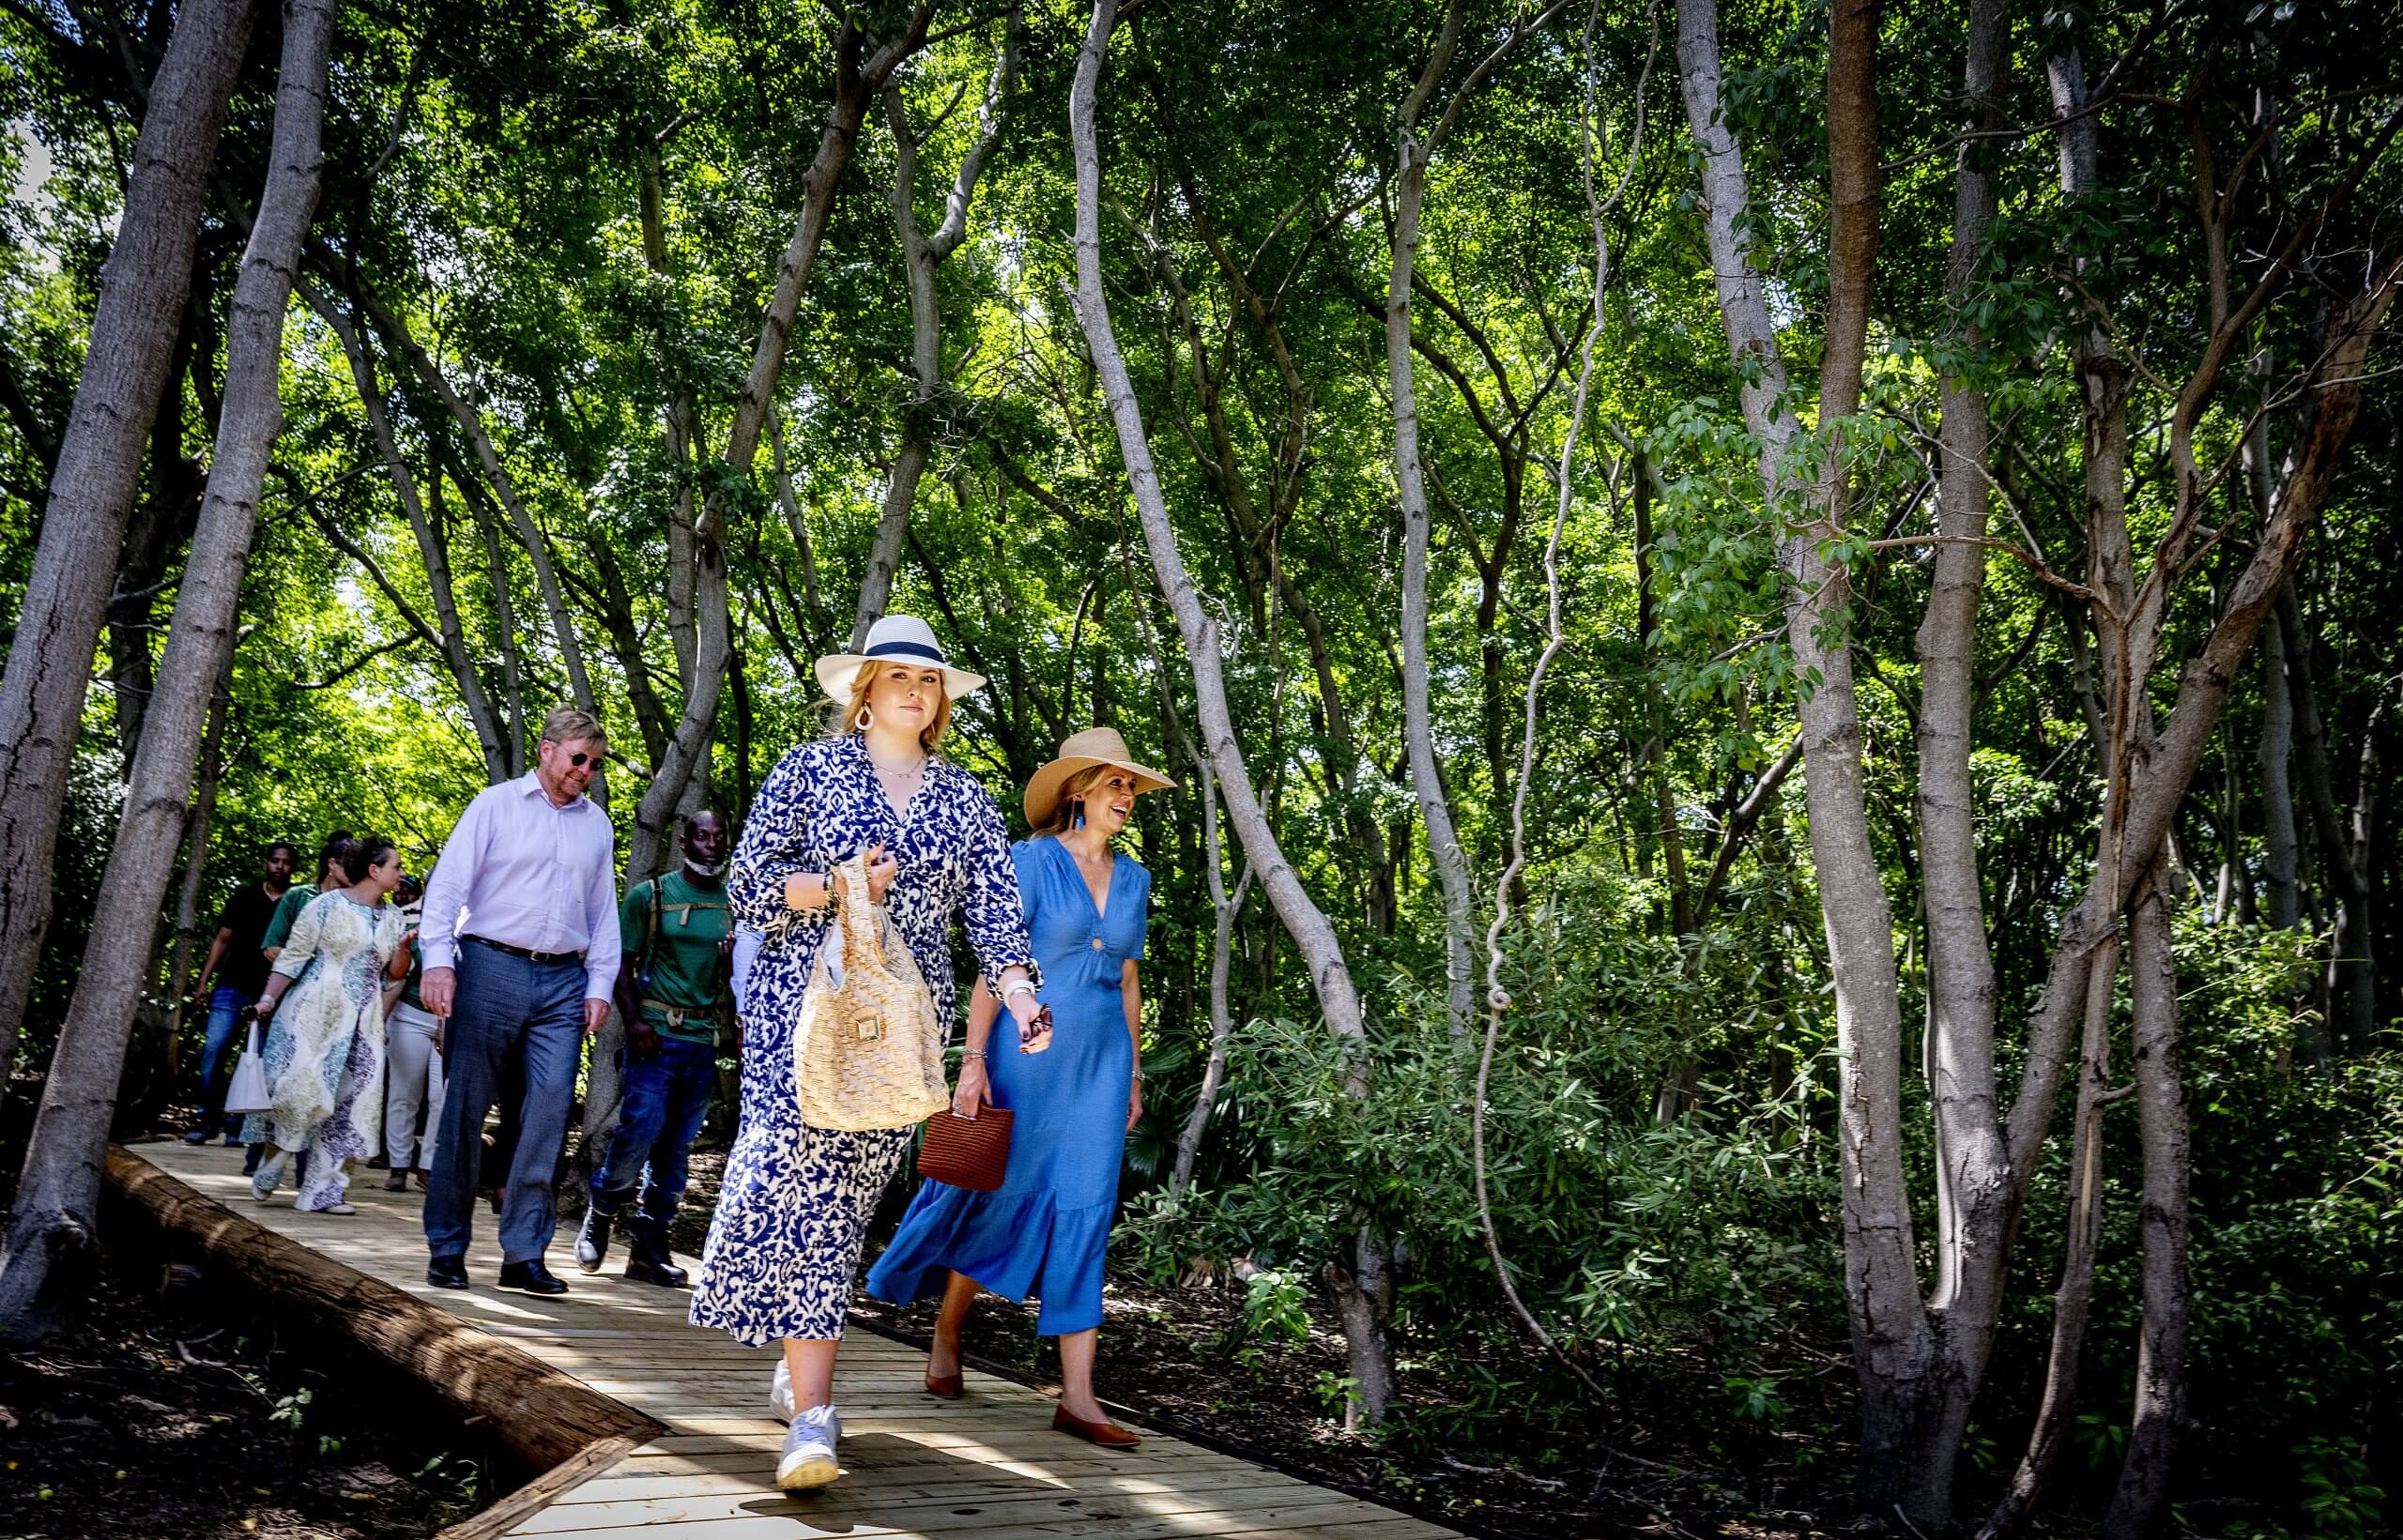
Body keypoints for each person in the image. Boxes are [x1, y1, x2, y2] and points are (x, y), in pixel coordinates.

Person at [690, 615, 1049, 1493]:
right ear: (865, 690)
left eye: (929, 682)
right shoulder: (809, 769)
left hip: (901, 1032)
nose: (917, 692)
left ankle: (800, 1374)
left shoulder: (965, 798)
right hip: (799, 1012)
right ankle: (813, 1414)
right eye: (899, 677)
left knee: (840, 1206)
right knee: (783, 1181)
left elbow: (996, 914)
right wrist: (839, 885)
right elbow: (745, 883)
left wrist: (1021, 994)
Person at [868, 726, 1169, 1448]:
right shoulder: (1029, 861)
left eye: (1131, 785)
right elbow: (990, 969)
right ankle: (946, 1330)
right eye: (1113, 782)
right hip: (1024, 1056)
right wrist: (971, 1061)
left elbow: (1127, 980)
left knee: (1087, 1209)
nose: (1126, 795)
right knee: (993, 1193)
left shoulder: (1135, 880)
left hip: (1099, 1067)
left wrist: (1132, 1071)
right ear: (1077, 792)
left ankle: (1077, 1396)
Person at [417, 707, 620, 1296]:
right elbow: (449, 885)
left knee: (551, 1109)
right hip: (490, 966)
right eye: (578, 758)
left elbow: (601, 911)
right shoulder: (496, 805)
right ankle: (448, 1246)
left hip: (563, 981)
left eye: (594, 762)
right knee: (466, 1109)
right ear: (546, 750)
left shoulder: (596, 826)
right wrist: (437, 962)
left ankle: (524, 1254)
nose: (585, 770)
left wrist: (600, 985)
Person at [575, 811, 735, 1287]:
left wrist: (728, 965)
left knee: (677, 1148)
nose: (710, 844)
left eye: (718, 836)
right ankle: (603, 1208)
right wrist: (636, 1021)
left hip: (701, 1040)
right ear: (683, 842)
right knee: (640, 1128)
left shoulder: (735, 901)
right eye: (701, 836)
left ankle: (649, 1245)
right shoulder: (653, 895)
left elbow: (732, 982)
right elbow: (619, 962)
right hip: (656, 1036)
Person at [244, 835, 408, 1214]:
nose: (401, 873)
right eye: (395, 866)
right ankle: (276, 1157)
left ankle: (323, 1191)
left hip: (365, 1017)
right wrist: (267, 1000)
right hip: (315, 1010)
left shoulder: (393, 917)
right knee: (303, 1090)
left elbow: (396, 974)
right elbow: (291, 959)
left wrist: (402, 948)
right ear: (374, 870)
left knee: (354, 1101)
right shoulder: (324, 906)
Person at [182, 841, 297, 1144]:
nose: (279, 867)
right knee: (214, 1050)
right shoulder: (245, 896)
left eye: (285, 862)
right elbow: (222, 939)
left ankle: (238, 1123)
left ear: (292, 867)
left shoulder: (297, 901)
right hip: (231, 986)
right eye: (274, 860)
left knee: (256, 1059)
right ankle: (207, 1118)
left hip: (269, 993)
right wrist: (203, 982)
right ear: (266, 863)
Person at [380, 874, 444, 1193]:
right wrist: (379, 1021)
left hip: (450, 1021)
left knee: (441, 1098)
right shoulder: (414, 927)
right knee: (404, 1094)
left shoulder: (470, 930)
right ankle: (398, 1165)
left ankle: (429, 1166)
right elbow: (397, 976)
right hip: (410, 1016)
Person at [261, 830, 355, 963]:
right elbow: (271, 949)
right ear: (332, 864)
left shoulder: (358, 903)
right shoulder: (298, 896)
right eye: (350, 865)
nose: (356, 872)